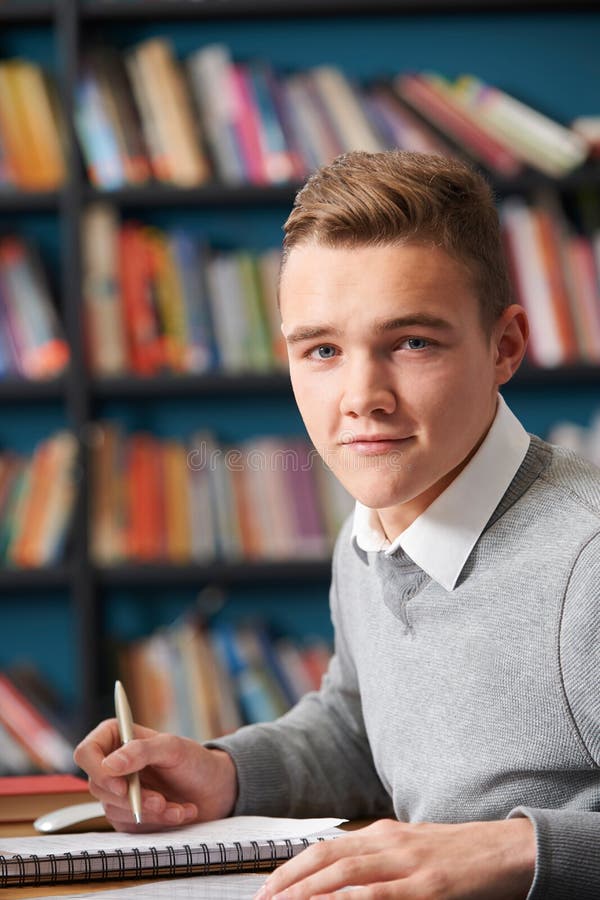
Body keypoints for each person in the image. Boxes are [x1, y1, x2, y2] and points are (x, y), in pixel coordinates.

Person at [74, 151, 600, 900]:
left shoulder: (587, 564)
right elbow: (360, 729)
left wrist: (517, 849)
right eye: (322, 350)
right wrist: (225, 773)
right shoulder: (374, 527)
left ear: (504, 347)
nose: (361, 397)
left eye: (412, 342)